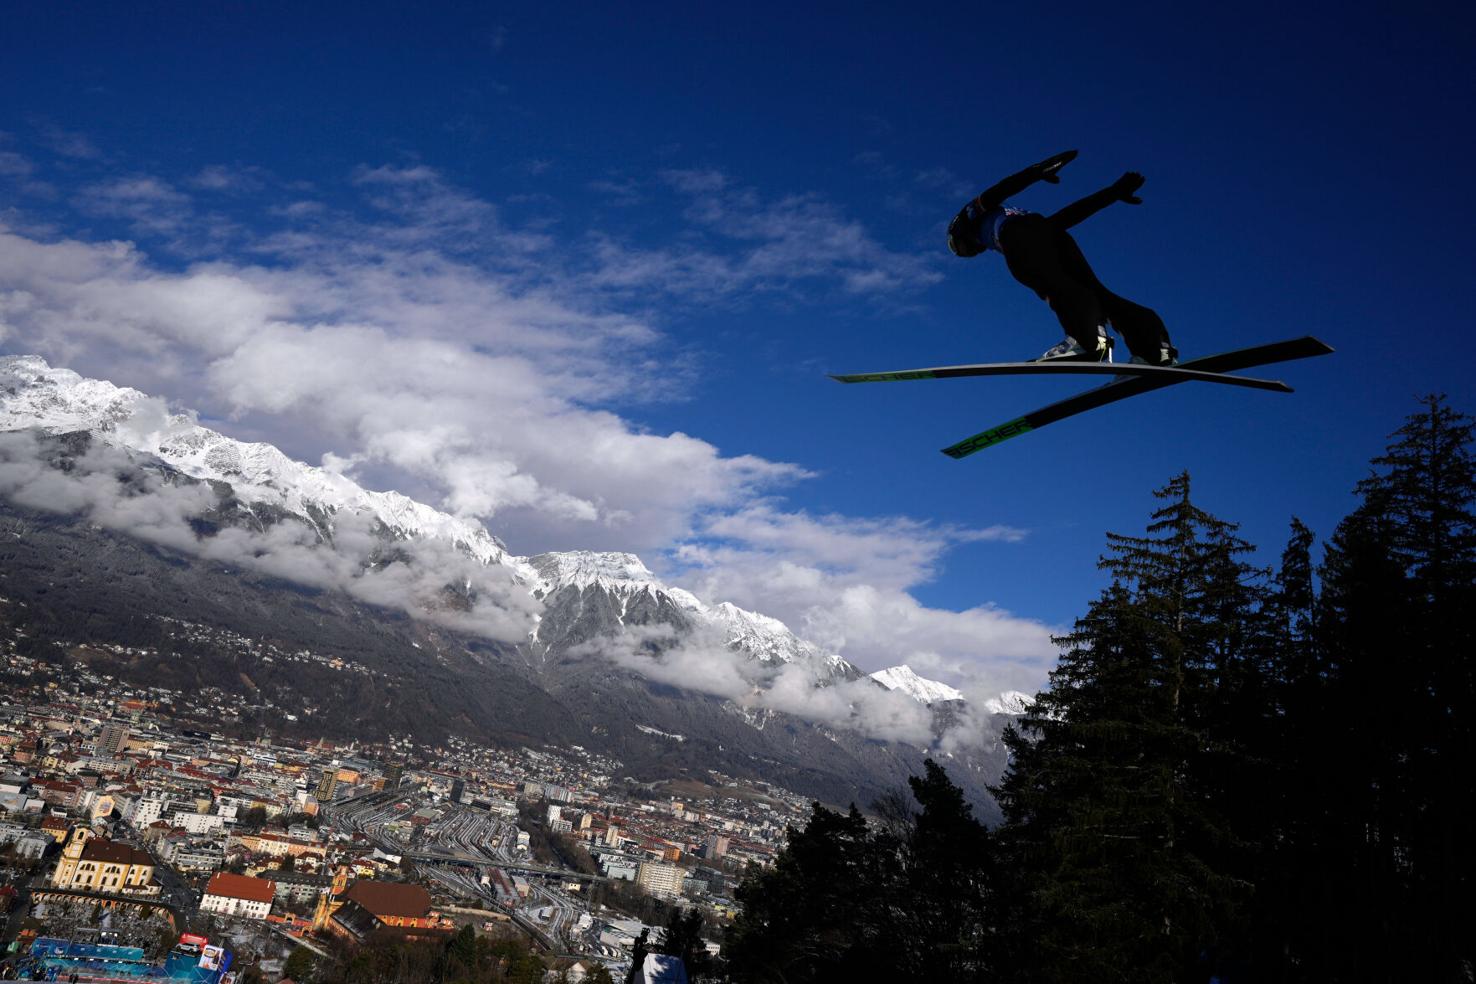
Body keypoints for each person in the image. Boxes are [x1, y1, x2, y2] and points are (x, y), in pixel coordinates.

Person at [947, 150, 1178, 366]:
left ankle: (1088, 342)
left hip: (1020, 235)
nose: (967, 253)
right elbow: (1068, 217)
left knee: (1046, 280)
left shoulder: (969, 220)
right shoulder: (1025, 222)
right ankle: (1153, 349)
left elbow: (996, 193)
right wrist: (1112, 193)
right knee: (1096, 292)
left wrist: (1036, 172)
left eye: (957, 248)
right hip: (1051, 231)